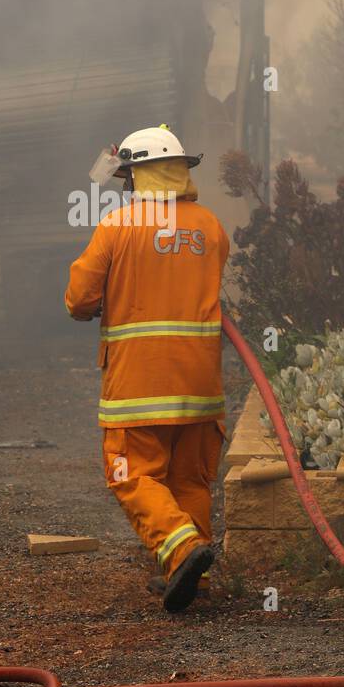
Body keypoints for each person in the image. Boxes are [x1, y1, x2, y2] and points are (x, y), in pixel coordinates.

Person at [65, 125, 229, 612]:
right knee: (189, 482)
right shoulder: (210, 226)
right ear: (179, 171)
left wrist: (98, 303)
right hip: (201, 386)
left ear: (138, 175)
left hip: (140, 386)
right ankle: (188, 579)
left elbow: (79, 297)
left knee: (131, 475)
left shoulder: (118, 226)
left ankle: (182, 551)